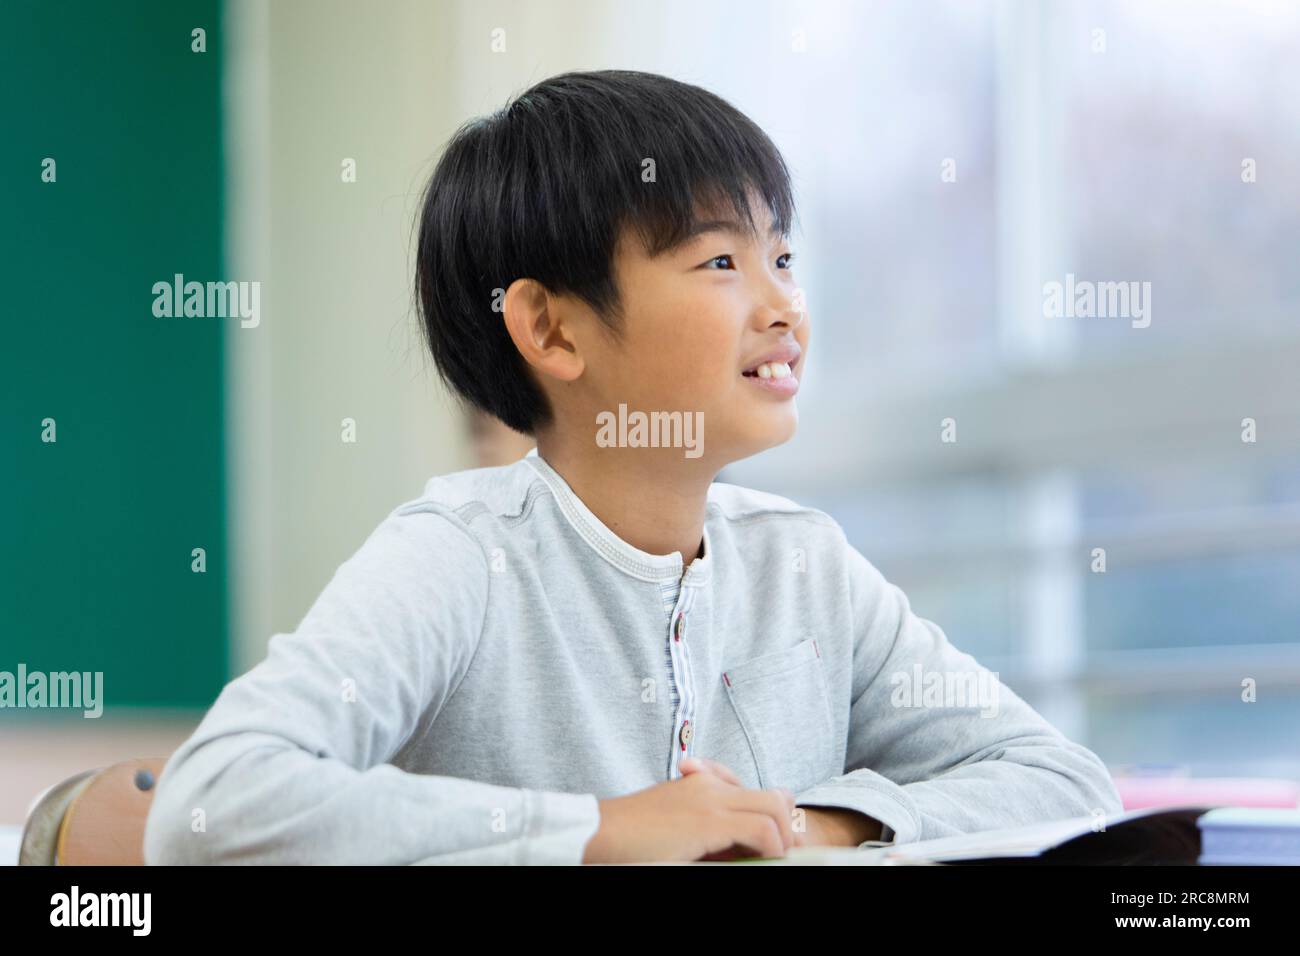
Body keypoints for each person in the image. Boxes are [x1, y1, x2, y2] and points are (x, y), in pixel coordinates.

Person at [144, 69, 1122, 865]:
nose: (782, 306)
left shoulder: (805, 564)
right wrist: (603, 832)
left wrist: (799, 826)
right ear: (550, 328)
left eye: (781, 257)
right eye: (719, 263)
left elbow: (1063, 779)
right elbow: (213, 803)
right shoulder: (457, 559)